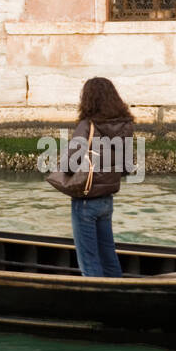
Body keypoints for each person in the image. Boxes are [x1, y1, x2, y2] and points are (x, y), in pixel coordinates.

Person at [66, 78, 135, 277]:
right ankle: (118, 296)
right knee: (108, 257)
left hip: (86, 202)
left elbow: (69, 165)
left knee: (89, 261)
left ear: (88, 99)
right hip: (107, 201)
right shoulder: (126, 126)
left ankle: (98, 303)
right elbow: (127, 167)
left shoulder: (87, 126)